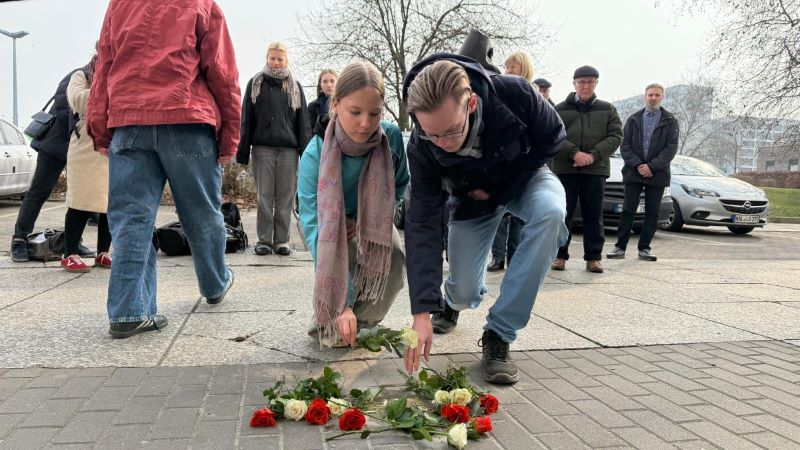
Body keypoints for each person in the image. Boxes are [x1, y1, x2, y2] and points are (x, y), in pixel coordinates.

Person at [401, 55, 568, 384]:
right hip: (471, 197)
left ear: (472, 103)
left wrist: (504, 186)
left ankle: (499, 333)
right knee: (465, 292)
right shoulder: (421, 146)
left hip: (524, 178)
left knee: (551, 213)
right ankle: (453, 301)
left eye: (451, 132)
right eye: (433, 135)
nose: (444, 145)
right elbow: (422, 223)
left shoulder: (516, 93)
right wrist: (421, 311)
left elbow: (554, 136)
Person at [87, 0, 240, 338]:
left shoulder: (119, 5)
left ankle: (129, 311)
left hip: (130, 120)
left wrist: (100, 127)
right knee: (202, 213)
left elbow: (104, 67)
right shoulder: (202, 4)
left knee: (131, 220)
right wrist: (230, 135)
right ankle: (215, 284)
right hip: (187, 118)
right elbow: (222, 72)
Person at [298, 61, 409, 347]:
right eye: (355, 112)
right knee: (341, 253)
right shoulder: (315, 155)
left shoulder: (391, 139)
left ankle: (364, 321)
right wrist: (343, 302)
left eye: (375, 113)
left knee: (394, 255)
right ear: (336, 104)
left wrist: (365, 221)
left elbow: (400, 183)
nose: (365, 124)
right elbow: (313, 224)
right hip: (327, 223)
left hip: (371, 217)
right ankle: (333, 314)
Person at [10, 68, 94, 262]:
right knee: (39, 191)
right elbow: (65, 106)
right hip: (56, 144)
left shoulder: (101, 74)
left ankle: (72, 243)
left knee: (81, 197)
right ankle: (19, 240)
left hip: (80, 145)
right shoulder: (80, 75)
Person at [236, 42, 311, 256]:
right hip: (262, 148)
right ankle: (264, 241)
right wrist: (243, 151)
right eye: (273, 58)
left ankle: (281, 241)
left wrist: (306, 155)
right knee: (264, 196)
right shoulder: (255, 84)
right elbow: (246, 119)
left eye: (280, 59)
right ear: (267, 59)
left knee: (286, 197)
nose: (276, 62)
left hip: (288, 150)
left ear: (286, 60)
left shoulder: (295, 87)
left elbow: (303, 123)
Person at [551, 65, 623, 273]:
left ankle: (593, 258)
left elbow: (616, 136)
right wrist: (574, 153)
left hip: (595, 170)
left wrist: (592, 155)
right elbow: (553, 134)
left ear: (596, 83)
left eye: (590, 82)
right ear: (574, 83)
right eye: (581, 82)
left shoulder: (607, 109)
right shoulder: (559, 109)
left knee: (593, 215)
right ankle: (559, 255)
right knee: (563, 214)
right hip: (566, 169)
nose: (585, 86)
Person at [608, 83, 678, 262]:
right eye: (650, 95)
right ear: (645, 97)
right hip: (634, 172)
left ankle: (644, 248)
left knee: (652, 213)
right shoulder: (633, 119)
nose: (653, 98)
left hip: (658, 174)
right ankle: (620, 247)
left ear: (662, 97)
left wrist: (651, 167)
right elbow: (625, 146)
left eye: (657, 95)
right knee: (628, 211)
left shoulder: (670, 121)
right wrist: (639, 165)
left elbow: (671, 148)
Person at [60, 47, 113, 273]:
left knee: (109, 202)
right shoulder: (81, 74)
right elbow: (78, 101)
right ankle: (69, 253)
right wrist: (106, 84)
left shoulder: (121, 71)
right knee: (81, 200)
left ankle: (103, 252)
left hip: (111, 141)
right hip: (84, 144)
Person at [487, 51, 536, 272]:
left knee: (518, 218)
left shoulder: (532, 95)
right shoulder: (499, 92)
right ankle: (497, 257)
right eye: (506, 67)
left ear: (523, 68)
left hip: (524, 163)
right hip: (502, 162)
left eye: (513, 67)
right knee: (499, 214)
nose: (508, 70)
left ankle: (514, 257)